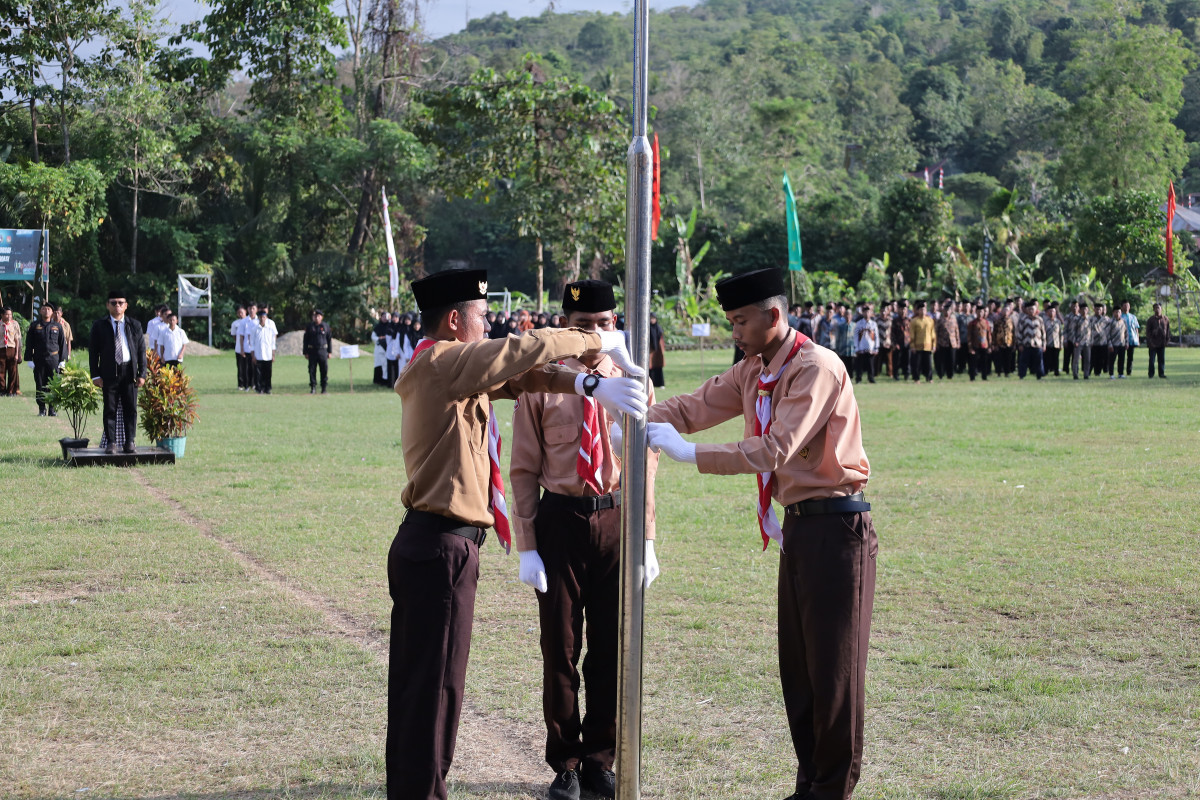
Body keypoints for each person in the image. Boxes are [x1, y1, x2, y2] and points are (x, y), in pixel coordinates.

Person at [386, 268, 647, 800]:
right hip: (440, 545)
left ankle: (420, 786)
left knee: (435, 689)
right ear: (456, 321)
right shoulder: (445, 361)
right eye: (482, 317)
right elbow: (525, 349)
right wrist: (598, 340)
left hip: (442, 545)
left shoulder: (447, 365)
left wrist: (587, 381)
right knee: (432, 691)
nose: (490, 325)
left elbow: (527, 377)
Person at [642, 268, 875, 800]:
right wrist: (635, 417)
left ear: (774, 316)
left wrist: (689, 453)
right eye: (730, 322)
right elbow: (694, 406)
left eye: (742, 321)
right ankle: (809, 783)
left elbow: (776, 447)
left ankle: (831, 789)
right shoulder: (754, 370)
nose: (735, 332)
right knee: (799, 671)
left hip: (837, 528)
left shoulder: (814, 367)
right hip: (798, 530)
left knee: (834, 673)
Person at [509, 280, 660, 800]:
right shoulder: (543, 380)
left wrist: (647, 538)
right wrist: (527, 544)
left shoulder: (631, 377)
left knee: (612, 647)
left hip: (614, 518)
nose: (595, 334)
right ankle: (566, 762)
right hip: (561, 521)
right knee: (561, 647)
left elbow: (646, 466)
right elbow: (525, 467)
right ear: (565, 325)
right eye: (583, 325)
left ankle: (600, 758)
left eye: (603, 323)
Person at [88, 291, 147, 453]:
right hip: (108, 373)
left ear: (126, 306)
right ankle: (111, 442)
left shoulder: (135, 325)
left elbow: (142, 351)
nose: (117, 306)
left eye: (121, 302)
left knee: (131, 408)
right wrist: (96, 375)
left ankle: (130, 441)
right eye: (113, 302)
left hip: (129, 373)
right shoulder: (99, 325)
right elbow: (93, 352)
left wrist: (142, 374)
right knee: (110, 409)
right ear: (107, 305)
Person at [25, 302, 67, 416]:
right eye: (44, 309)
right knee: (40, 384)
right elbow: (29, 343)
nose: (46, 311)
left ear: (52, 312)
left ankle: (52, 409)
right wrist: (29, 359)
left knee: (53, 385)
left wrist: (63, 360)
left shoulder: (57, 326)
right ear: (40, 311)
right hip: (39, 359)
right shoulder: (34, 325)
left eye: (48, 309)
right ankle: (42, 409)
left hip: (53, 359)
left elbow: (63, 343)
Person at [304, 309, 333, 394]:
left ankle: (324, 388)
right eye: (315, 316)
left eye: (318, 316)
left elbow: (329, 339)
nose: (316, 318)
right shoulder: (310, 327)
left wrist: (330, 352)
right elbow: (305, 340)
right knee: (312, 370)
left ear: (321, 317)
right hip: (312, 351)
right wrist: (305, 352)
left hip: (323, 350)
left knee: (324, 369)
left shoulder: (326, 326)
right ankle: (313, 387)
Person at [1016, 300, 1046, 380]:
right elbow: (1019, 332)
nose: (1031, 311)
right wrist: (1020, 344)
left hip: (1037, 344)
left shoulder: (1040, 319)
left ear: (1036, 310)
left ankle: (1039, 375)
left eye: (1033, 309)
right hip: (1026, 344)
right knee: (1023, 361)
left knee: (1039, 361)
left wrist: (1044, 344)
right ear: (1027, 310)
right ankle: (1022, 375)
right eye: (1029, 309)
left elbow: (1043, 333)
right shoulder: (1023, 320)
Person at [250, 309, 278, 393]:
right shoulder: (255, 329)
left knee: (268, 373)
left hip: (268, 354)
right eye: (261, 317)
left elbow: (273, 343)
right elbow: (252, 343)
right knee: (258, 374)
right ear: (258, 318)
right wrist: (253, 355)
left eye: (264, 317)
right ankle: (259, 388)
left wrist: (273, 355)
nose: (262, 319)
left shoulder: (269, 329)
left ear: (266, 318)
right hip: (258, 354)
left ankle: (267, 388)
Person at [909, 300, 935, 383]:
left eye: (924, 309)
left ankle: (929, 378)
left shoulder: (930, 320)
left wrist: (934, 345)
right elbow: (912, 335)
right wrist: (912, 346)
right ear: (918, 310)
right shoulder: (914, 321)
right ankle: (916, 379)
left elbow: (932, 333)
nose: (923, 311)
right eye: (921, 309)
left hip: (928, 345)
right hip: (917, 346)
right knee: (917, 364)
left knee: (928, 364)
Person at [853, 304, 878, 384]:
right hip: (861, 347)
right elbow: (856, 336)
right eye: (865, 312)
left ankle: (871, 378)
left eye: (868, 312)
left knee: (871, 364)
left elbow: (876, 336)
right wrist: (856, 347)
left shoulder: (873, 324)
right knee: (859, 365)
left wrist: (876, 348)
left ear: (871, 313)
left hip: (870, 347)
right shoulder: (859, 323)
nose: (867, 314)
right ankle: (858, 379)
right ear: (862, 313)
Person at [934, 300, 959, 379]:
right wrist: (936, 343)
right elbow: (936, 332)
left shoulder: (953, 319)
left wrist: (958, 342)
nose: (947, 312)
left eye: (948, 310)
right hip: (942, 342)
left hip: (952, 342)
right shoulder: (940, 320)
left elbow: (956, 331)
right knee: (942, 360)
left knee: (951, 359)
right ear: (943, 311)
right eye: (945, 310)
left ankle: (950, 374)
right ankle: (941, 374)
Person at [966, 304, 992, 381]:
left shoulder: (986, 323)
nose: (980, 313)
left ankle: (984, 377)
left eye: (982, 312)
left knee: (984, 362)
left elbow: (989, 335)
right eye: (979, 312)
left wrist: (989, 346)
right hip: (975, 345)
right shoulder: (972, 323)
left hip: (984, 345)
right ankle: (972, 377)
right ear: (976, 312)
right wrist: (970, 347)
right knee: (973, 363)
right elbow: (969, 336)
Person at [1145, 303, 1169, 378]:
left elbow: (1168, 330)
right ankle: (1151, 374)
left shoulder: (1165, 319)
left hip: (1162, 343)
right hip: (1153, 343)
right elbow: (1148, 332)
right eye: (1155, 308)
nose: (1157, 309)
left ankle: (1161, 373)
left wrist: (1167, 340)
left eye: (1158, 308)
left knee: (1161, 360)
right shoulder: (1150, 320)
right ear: (1153, 309)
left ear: (1161, 309)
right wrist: (1150, 341)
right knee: (1152, 360)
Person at [2, 306, 22, 396]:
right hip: (1, 349)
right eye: (6, 314)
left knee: (12, 371)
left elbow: (17, 340)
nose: (9, 316)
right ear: (2, 315)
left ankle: (11, 391)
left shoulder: (15, 324)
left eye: (10, 314)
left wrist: (17, 354)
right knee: (1, 372)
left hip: (12, 349)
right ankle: (2, 390)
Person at [992, 305, 1014, 377]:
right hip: (999, 343)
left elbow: (1013, 332)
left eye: (1007, 311)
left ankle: (1007, 373)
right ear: (1001, 311)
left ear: (1009, 312)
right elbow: (994, 332)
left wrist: (1014, 343)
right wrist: (994, 344)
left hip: (1009, 342)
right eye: (1004, 310)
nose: (1005, 312)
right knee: (999, 359)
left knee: (1007, 359)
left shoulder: (1011, 321)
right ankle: (998, 372)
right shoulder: (997, 321)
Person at [1071, 303, 1092, 380]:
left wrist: (1091, 341)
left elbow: (1092, 331)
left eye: (1086, 309)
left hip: (1087, 342)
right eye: (1083, 309)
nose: (1084, 311)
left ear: (1088, 310)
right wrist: (1074, 341)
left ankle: (1086, 374)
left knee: (1087, 359)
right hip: (1078, 342)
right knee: (1076, 359)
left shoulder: (1090, 319)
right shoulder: (1076, 319)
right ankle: (1075, 374)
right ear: (1080, 310)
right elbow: (1072, 331)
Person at [890, 300, 910, 380]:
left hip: (907, 342)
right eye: (901, 309)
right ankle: (896, 375)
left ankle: (907, 374)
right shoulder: (895, 321)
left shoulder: (909, 320)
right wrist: (895, 344)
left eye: (904, 309)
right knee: (897, 360)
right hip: (898, 343)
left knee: (907, 360)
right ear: (898, 310)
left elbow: (911, 332)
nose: (903, 311)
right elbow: (892, 333)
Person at [1106, 306, 1127, 380]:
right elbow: (1107, 334)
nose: (1117, 313)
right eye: (1116, 312)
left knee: (1121, 359)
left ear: (1121, 313)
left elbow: (1126, 332)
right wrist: (1110, 344)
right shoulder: (1110, 322)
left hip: (1122, 344)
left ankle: (1120, 373)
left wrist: (1126, 342)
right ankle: (1111, 374)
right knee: (1112, 360)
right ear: (1113, 313)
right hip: (1113, 344)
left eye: (1119, 312)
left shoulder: (1123, 321)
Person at [231, 305, 249, 389]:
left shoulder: (250, 322)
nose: (240, 314)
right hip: (239, 348)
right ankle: (240, 384)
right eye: (239, 313)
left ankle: (250, 383)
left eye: (242, 312)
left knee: (249, 367)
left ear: (246, 311)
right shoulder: (235, 323)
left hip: (249, 348)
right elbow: (234, 336)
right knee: (240, 367)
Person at [1043, 303, 1063, 377]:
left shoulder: (1058, 322)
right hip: (1047, 343)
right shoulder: (1044, 321)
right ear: (1047, 312)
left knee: (1056, 358)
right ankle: (1045, 371)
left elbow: (1060, 333)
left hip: (1056, 343)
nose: (1052, 313)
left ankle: (1056, 371)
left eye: (1053, 311)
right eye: (1050, 311)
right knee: (1047, 358)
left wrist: (1061, 344)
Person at [1090, 302, 1109, 377]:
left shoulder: (1106, 319)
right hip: (1093, 342)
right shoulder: (1090, 319)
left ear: (1102, 310)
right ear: (1094, 309)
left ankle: (1097, 372)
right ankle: (1088, 371)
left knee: (1101, 358)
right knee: (1092, 358)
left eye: (1100, 309)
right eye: (1097, 309)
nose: (1098, 311)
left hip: (1103, 341)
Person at [1120, 301, 1139, 377]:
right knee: (1122, 356)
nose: (1126, 307)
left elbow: (1136, 329)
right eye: (1124, 305)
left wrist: (1137, 339)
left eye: (1128, 305)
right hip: (1122, 340)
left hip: (1132, 339)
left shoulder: (1133, 317)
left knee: (1130, 357)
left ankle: (1129, 371)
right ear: (1122, 307)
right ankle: (1120, 371)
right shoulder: (1120, 316)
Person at [648, 312, 666, 388]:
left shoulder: (658, 328)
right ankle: (650, 384)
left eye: (653, 318)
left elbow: (661, 339)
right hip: (650, 350)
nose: (652, 320)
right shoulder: (647, 328)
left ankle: (660, 384)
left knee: (658, 367)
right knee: (650, 367)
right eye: (650, 318)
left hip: (658, 351)